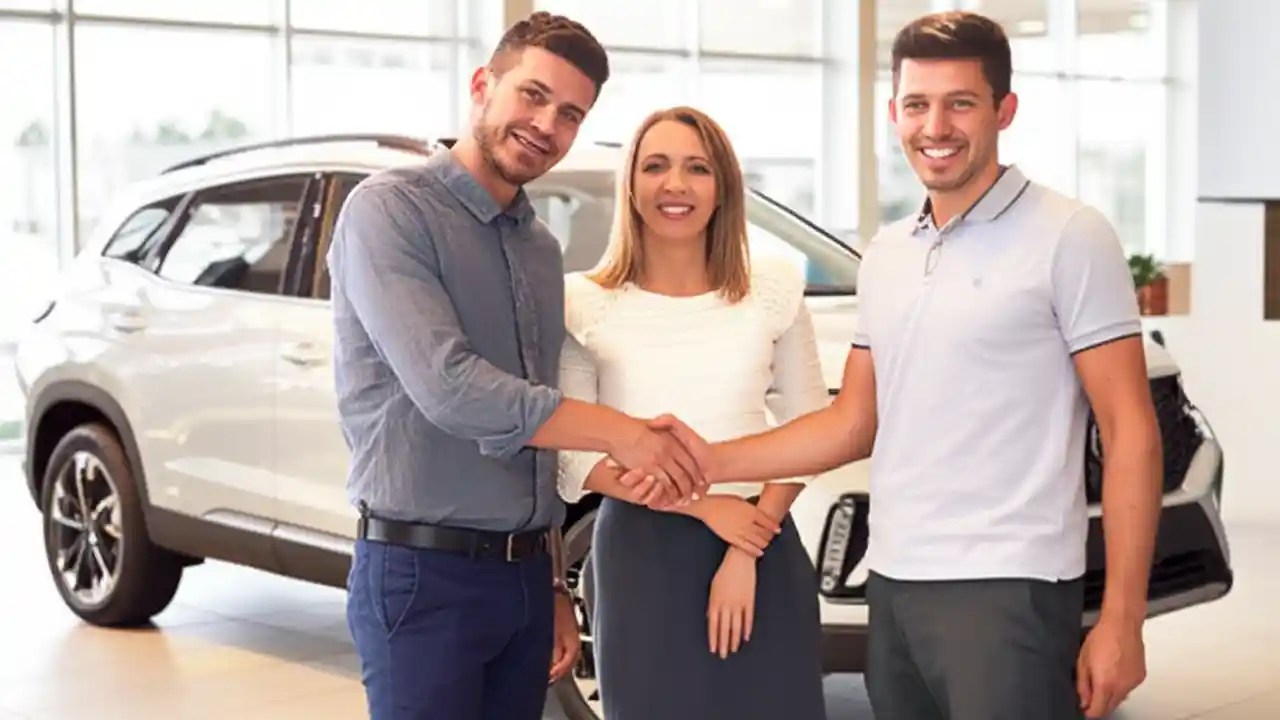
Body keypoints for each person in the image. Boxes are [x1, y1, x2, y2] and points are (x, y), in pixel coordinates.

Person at [657, 10, 1163, 720]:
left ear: (1004, 110)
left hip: (1008, 586)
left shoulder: (1070, 236)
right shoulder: (889, 252)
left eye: (961, 103)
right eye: (918, 105)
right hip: (893, 586)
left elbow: (1131, 428)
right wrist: (707, 460)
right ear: (894, 113)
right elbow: (852, 423)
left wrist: (1123, 619)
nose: (937, 126)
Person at [326, 13, 711, 720]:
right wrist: (622, 433)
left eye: (570, 114)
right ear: (483, 86)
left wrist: (553, 583)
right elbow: (452, 388)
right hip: (422, 575)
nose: (546, 124)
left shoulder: (537, 245)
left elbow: (539, 417)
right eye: (532, 96)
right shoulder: (389, 212)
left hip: (527, 581)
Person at [556, 106, 829, 720]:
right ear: (630, 184)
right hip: (640, 555)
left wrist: (744, 547)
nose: (674, 185)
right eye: (655, 166)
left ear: (723, 186)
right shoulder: (585, 301)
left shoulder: (774, 288)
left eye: (696, 168)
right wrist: (706, 508)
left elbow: (811, 428)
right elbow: (571, 455)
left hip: (761, 546)